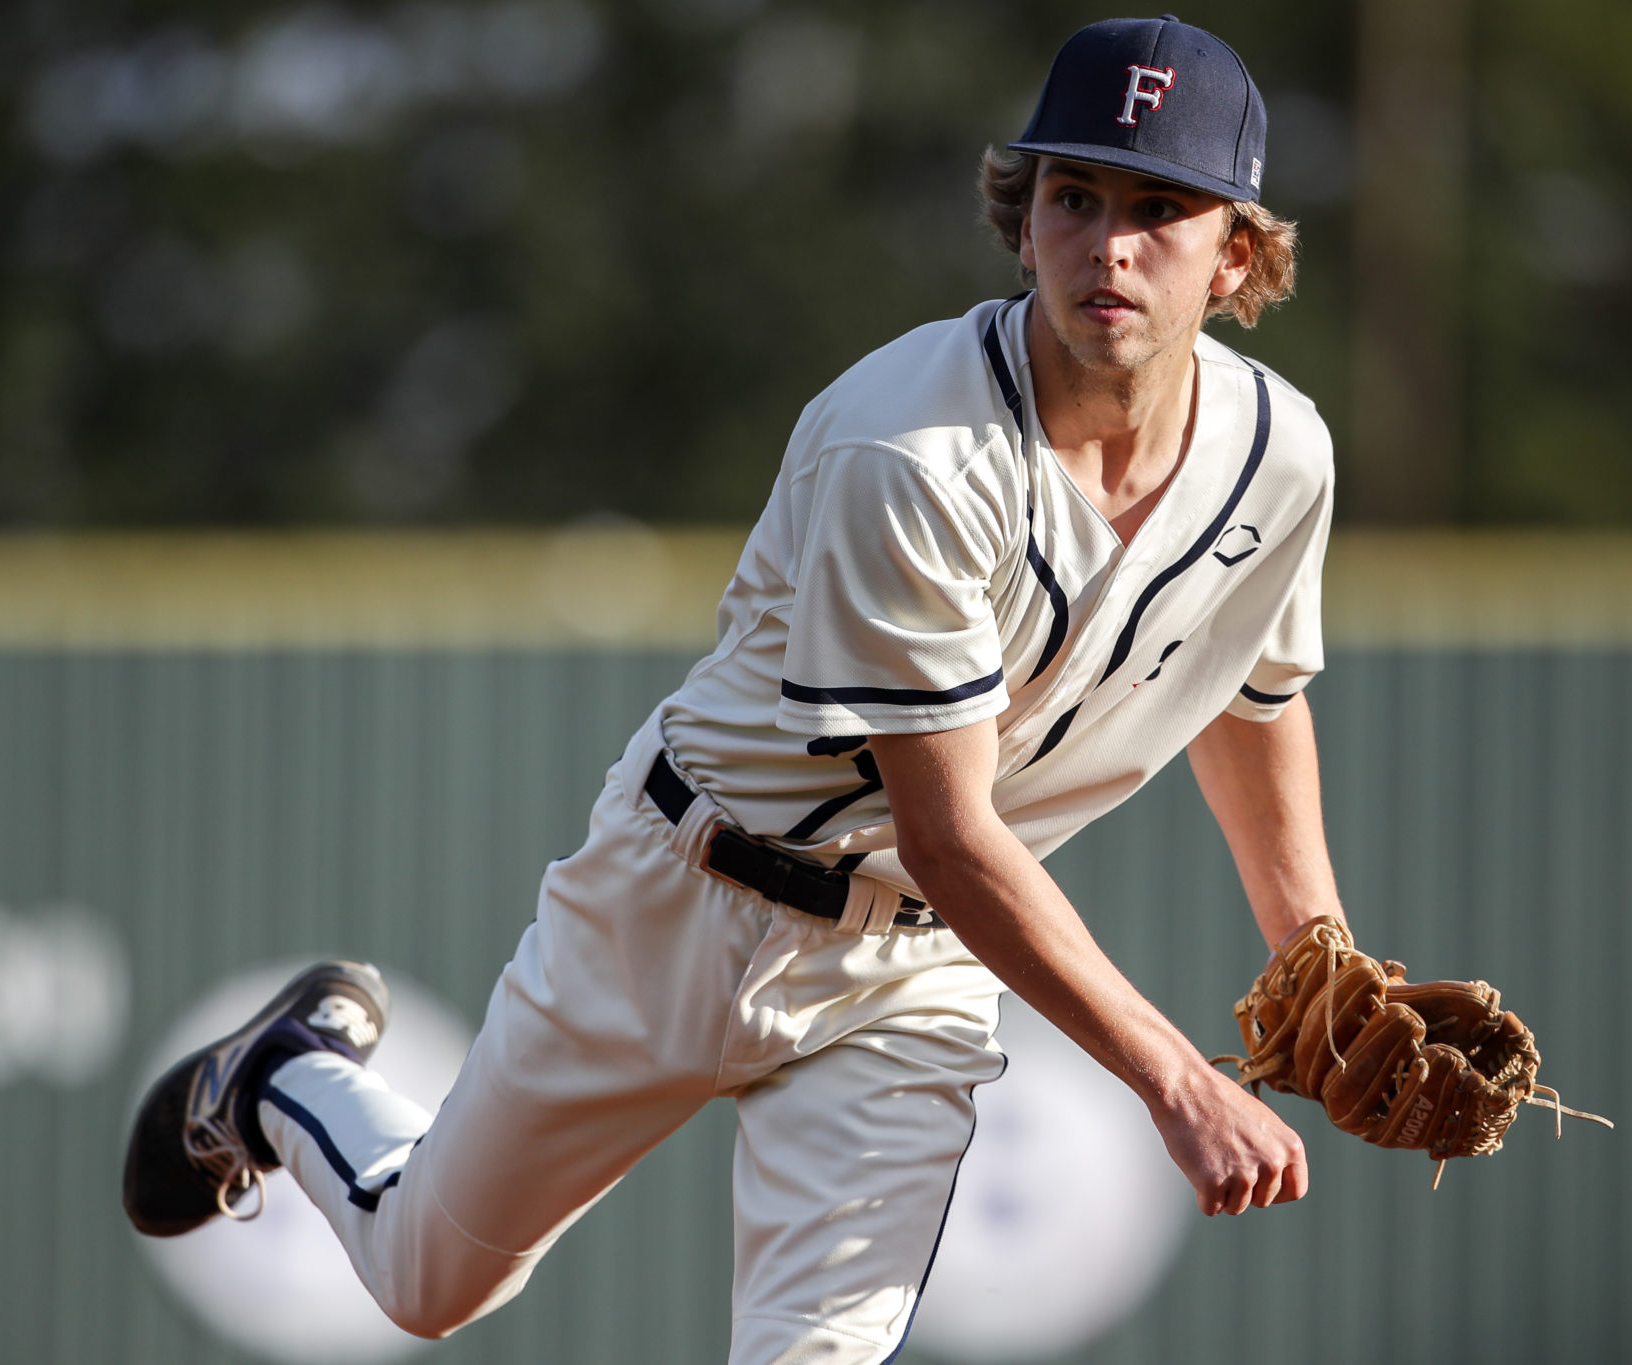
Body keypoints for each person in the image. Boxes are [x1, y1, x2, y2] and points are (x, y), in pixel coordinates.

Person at [125, 15, 1342, 1363]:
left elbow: (1251, 692)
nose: (1108, 242)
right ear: (1021, 221)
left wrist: (1320, 954)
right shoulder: (913, 445)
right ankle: (283, 1074)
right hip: (686, 891)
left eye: (1159, 207)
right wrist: (1173, 1078)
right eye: (1074, 195)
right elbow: (950, 829)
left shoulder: (1281, 457)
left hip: (908, 968)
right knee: (426, 1277)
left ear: (1236, 253)